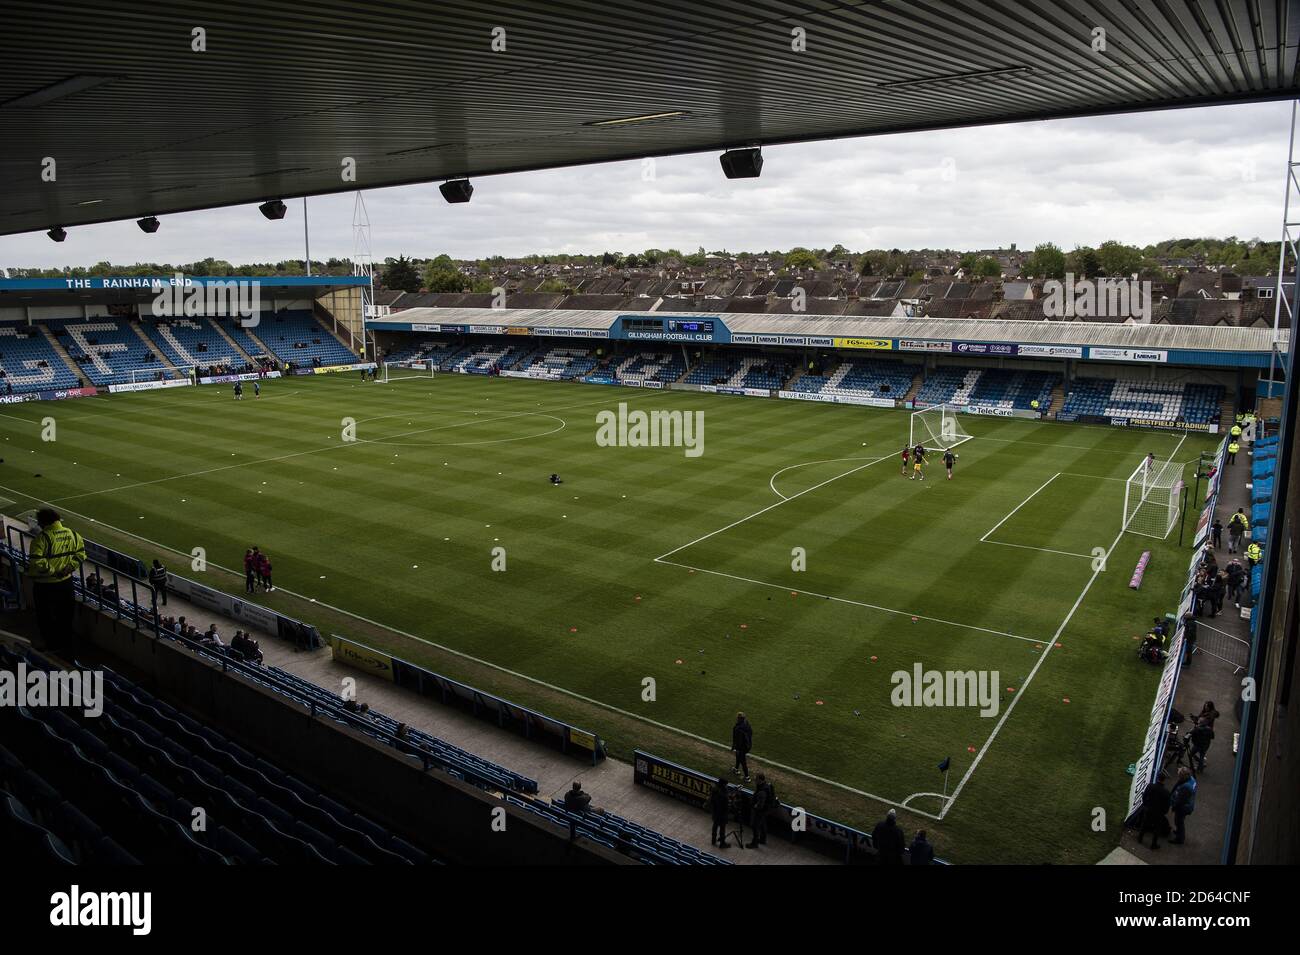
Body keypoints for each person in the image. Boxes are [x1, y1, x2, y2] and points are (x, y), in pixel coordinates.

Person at [26, 508, 87, 654]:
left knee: (45, 616)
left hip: (44, 585)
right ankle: (67, 646)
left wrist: (53, 572)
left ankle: (52, 646)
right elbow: (81, 554)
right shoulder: (73, 534)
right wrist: (69, 569)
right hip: (66, 583)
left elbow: (37, 562)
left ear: (42, 522)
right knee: (65, 616)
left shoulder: (41, 538)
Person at [1136, 772, 1171, 849]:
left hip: (1149, 809)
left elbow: (1144, 796)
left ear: (1157, 778)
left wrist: (1146, 805)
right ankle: (1153, 844)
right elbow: (1167, 805)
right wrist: (1163, 812)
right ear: (1164, 780)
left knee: (1144, 824)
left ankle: (1140, 838)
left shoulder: (1150, 786)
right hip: (1159, 813)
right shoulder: (1166, 792)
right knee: (1157, 828)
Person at [1169, 767, 1196, 845]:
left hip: (1184, 807)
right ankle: (1179, 832)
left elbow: (1180, 800)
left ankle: (1179, 839)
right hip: (1188, 804)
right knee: (1180, 820)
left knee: (1178, 821)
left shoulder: (1186, 787)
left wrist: (1174, 806)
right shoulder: (1192, 779)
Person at [747, 773, 771, 848]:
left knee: (755, 826)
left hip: (760, 811)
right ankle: (763, 839)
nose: (755, 780)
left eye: (756, 779)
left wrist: (755, 807)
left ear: (760, 780)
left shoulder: (762, 790)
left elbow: (760, 804)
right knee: (763, 824)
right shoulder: (765, 786)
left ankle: (755, 843)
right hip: (765, 810)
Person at [709, 777, 732, 849]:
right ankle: (722, 843)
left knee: (715, 826)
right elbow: (726, 805)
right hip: (722, 813)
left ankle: (713, 840)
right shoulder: (724, 793)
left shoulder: (715, 789)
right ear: (724, 784)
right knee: (722, 829)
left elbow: (712, 800)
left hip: (715, 811)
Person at [731, 712, 753, 782]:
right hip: (747, 745)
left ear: (739, 719)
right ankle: (736, 769)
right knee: (738, 757)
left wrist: (736, 747)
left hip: (741, 747)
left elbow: (738, 740)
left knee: (743, 761)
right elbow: (751, 733)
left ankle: (747, 777)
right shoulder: (747, 724)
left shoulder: (738, 728)